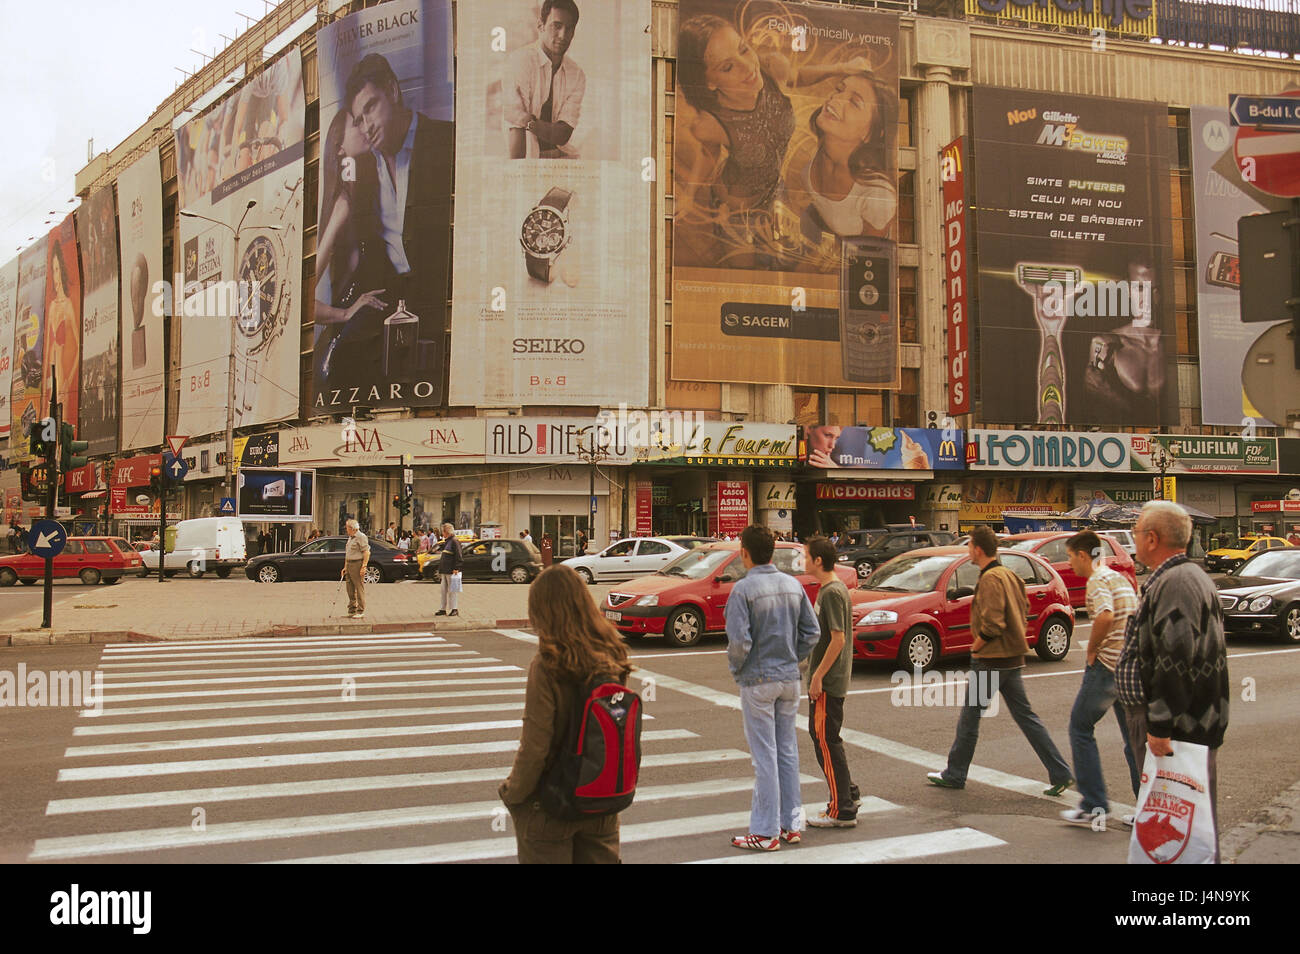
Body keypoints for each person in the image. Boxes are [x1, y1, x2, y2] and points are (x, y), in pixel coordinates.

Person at [1116, 500, 1229, 858]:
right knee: (1186, 819)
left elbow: (1174, 659)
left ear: (1152, 538)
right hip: (1188, 722)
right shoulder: (1186, 575)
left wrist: (1160, 726)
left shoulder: (1176, 582)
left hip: (1179, 726)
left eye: (1136, 533)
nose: (1133, 540)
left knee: (1181, 824)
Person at [499, 564, 632, 863]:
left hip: (552, 806)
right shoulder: (613, 653)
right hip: (601, 801)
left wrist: (514, 794)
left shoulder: (548, 662)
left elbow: (536, 744)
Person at [927, 526, 1074, 795]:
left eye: (970, 546)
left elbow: (993, 623)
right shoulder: (1010, 575)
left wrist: (976, 646)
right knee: (1027, 718)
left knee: (970, 719)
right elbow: (1024, 608)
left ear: (979, 550)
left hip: (991, 659)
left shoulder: (991, 579)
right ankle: (1060, 772)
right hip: (1013, 657)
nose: (968, 550)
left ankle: (955, 773)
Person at [725, 524, 820, 851]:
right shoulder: (793, 585)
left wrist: (738, 670)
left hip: (759, 680)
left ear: (745, 553)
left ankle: (765, 833)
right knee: (787, 753)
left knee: (764, 757)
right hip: (790, 679)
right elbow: (812, 632)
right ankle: (791, 825)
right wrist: (796, 661)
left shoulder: (742, 591)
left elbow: (739, 642)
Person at [1059, 531, 1141, 826]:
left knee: (1080, 727)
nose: (1070, 564)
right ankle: (1145, 807)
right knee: (1133, 739)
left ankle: (1094, 803)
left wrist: (1092, 651)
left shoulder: (1096, 581)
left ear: (1083, 555)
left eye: (1070, 557)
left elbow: (1105, 615)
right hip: (1129, 667)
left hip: (1106, 665)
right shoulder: (1119, 578)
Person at [804, 536, 860, 828]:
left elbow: (838, 639)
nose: (803, 561)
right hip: (825, 680)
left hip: (829, 683)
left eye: (805, 556)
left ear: (818, 561)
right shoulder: (826, 590)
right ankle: (848, 793)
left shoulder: (833, 593)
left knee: (826, 741)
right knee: (824, 739)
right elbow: (823, 638)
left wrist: (817, 676)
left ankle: (842, 809)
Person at [802, 72, 897, 239]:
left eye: (854, 102)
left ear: (870, 134)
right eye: (839, 90)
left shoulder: (878, 195)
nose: (836, 99)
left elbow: (870, 257)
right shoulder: (808, 145)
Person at [505, 0, 585, 159]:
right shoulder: (521, 61)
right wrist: (518, 173)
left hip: (562, 157)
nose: (563, 35)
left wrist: (529, 122)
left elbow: (563, 134)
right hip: (526, 157)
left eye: (569, 29)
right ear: (541, 26)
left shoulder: (576, 74)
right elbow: (516, 127)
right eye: (557, 26)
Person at [341, 518, 370, 620]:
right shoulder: (351, 538)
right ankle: (352, 609)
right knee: (350, 588)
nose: (346, 530)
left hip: (357, 564)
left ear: (352, 528)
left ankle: (360, 610)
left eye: (347, 528)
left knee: (359, 587)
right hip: (349, 564)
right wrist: (345, 566)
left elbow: (366, 552)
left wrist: (364, 566)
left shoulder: (361, 537)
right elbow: (348, 553)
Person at [436, 522, 463, 617]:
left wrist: (457, 568)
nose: (442, 533)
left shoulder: (454, 541)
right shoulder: (447, 541)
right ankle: (442, 609)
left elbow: (459, 556)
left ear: (446, 532)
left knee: (453, 591)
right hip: (445, 570)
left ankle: (454, 609)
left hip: (451, 570)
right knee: (443, 591)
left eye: (443, 531)